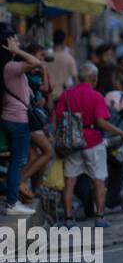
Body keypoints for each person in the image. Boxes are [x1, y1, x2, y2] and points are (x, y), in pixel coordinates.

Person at [54, 63, 123, 228]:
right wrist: (122, 133)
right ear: (94, 79)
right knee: (98, 181)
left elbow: (58, 119)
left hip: (72, 143)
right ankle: (100, 217)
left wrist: (57, 138)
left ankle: (69, 219)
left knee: (70, 181)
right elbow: (101, 122)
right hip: (93, 142)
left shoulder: (66, 95)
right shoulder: (96, 96)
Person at [0, 32, 44, 216]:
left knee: (16, 161)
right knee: (18, 162)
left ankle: (11, 198)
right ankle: (11, 202)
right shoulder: (10, 66)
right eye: (15, 40)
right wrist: (17, 50)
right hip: (17, 119)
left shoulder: (10, 66)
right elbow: (37, 63)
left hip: (12, 117)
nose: (18, 43)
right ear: (7, 44)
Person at [18, 40, 54, 204]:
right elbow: (45, 88)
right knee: (48, 151)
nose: (42, 59)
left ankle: (30, 188)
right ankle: (21, 181)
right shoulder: (28, 74)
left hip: (33, 120)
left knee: (35, 157)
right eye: (40, 56)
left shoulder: (31, 73)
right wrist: (43, 69)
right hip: (30, 121)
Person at [43, 29, 77, 103]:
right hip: (64, 95)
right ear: (64, 41)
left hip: (49, 95)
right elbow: (75, 78)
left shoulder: (47, 58)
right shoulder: (69, 58)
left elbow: (43, 74)